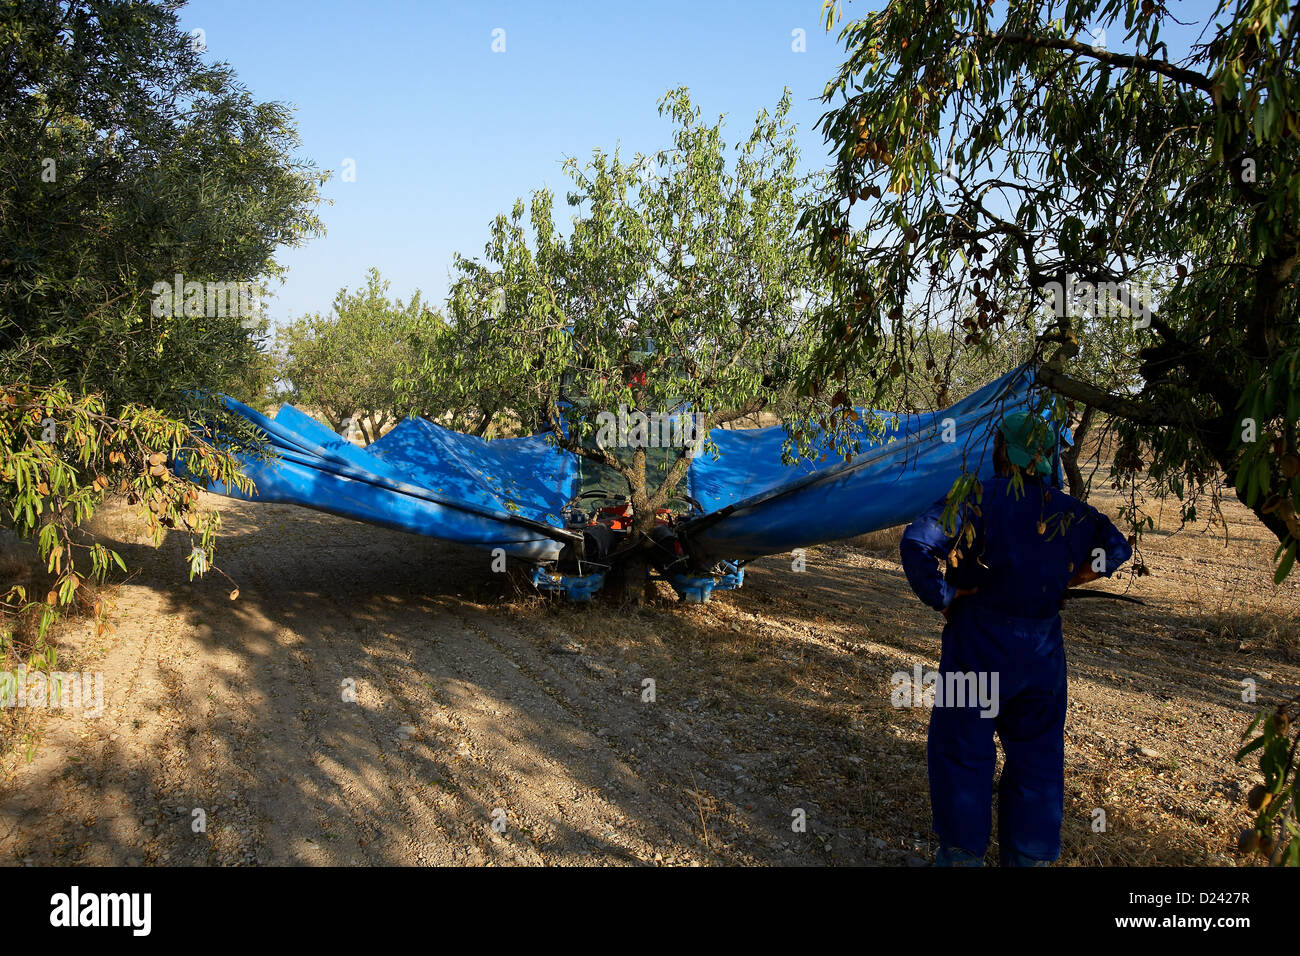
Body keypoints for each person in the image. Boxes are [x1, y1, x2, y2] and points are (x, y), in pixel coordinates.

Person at [899, 410, 1132, 866]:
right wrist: (1071, 579)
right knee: (1036, 759)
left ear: (1003, 451)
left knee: (963, 750)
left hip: (977, 647)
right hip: (1041, 655)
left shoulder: (977, 498)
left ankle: (962, 857)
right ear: (1046, 459)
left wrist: (943, 595)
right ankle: (1029, 858)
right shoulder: (1070, 511)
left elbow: (918, 543)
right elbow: (1117, 548)